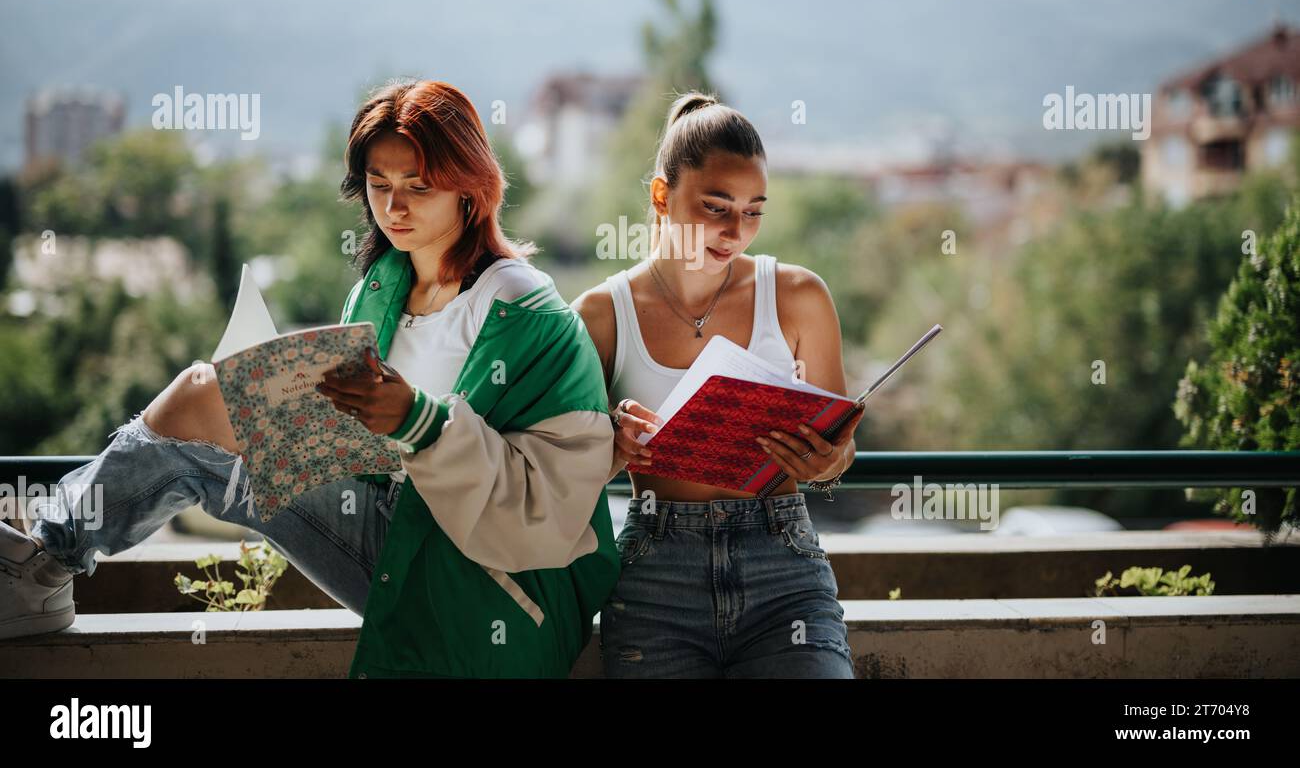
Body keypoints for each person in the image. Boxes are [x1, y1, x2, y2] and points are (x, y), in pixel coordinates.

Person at [0, 79, 619, 678]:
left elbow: (556, 504)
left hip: (491, 580)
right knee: (196, 403)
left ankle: (38, 565)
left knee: (204, 413)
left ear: (470, 189)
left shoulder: (527, 311)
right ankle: (45, 562)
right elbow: (359, 449)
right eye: (379, 185)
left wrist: (420, 422)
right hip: (385, 527)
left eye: (419, 186)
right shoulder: (377, 293)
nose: (394, 207)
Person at [573, 91, 863, 678]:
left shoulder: (800, 296)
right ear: (661, 195)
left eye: (754, 210)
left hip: (784, 569)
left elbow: (843, 453)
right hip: (656, 581)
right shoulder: (600, 315)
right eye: (716, 206)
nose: (737, 230)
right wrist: (609, 447)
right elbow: (561, 466)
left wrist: (825, 462)